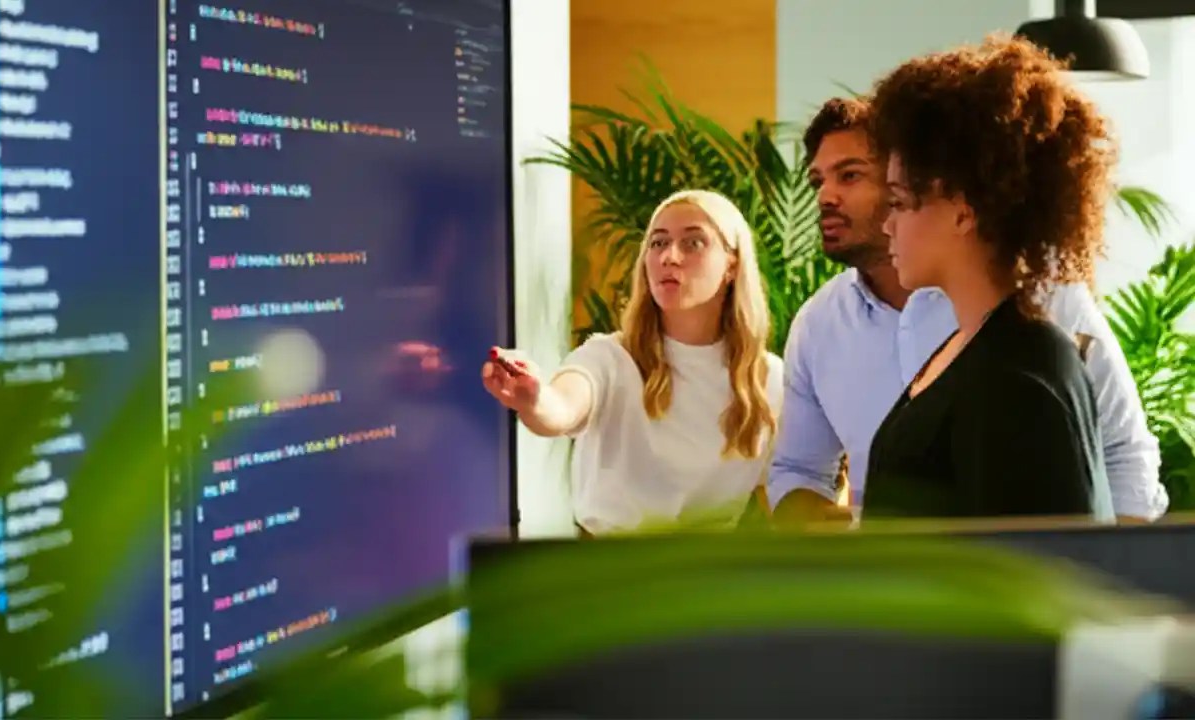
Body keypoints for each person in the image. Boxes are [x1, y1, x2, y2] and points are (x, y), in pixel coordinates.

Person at [768, 70, 1166, 522]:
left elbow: (1056, 535)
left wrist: (1126, 570)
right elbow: (798, 472)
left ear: (961, 206)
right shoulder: (829, 324)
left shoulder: (1031, 343)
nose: (825, 196)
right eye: (817, 180)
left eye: (854, 177)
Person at [483, 189, 784, 535]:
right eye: (657, 243)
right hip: (612, 574)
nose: (669, 257)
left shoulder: (768, 378)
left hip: (709, 577)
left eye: (693, 243)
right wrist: (534, 398)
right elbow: (561, 408)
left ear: (732, 264)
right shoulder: (610, 357)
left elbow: (786, 490)